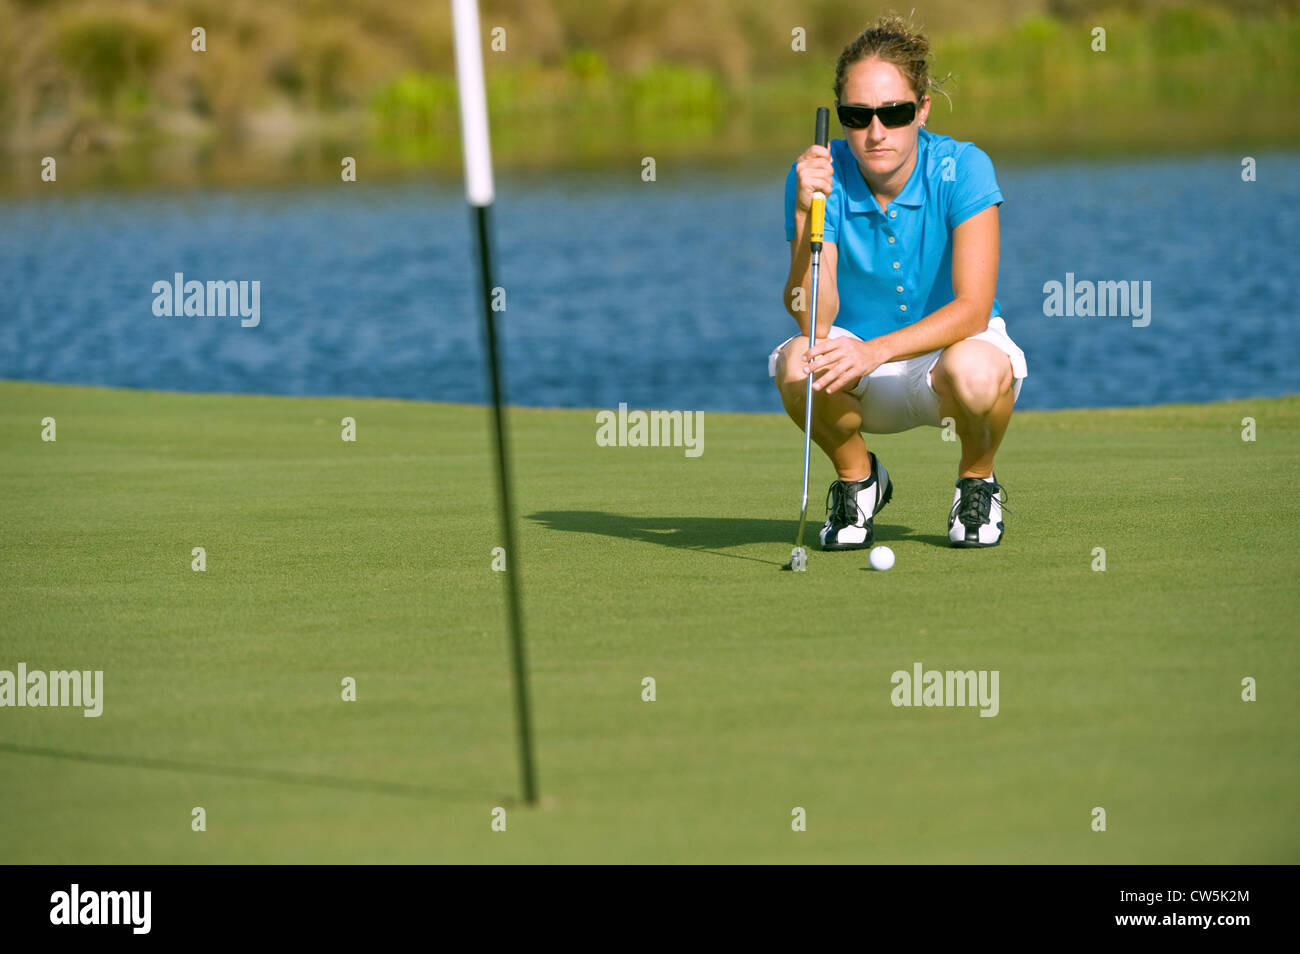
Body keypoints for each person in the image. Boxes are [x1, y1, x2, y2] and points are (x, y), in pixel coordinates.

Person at [770, 14, 1028, 550]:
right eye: (857, 116)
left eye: (895, 112)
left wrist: (876, 352)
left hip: (946, 364)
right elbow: (813, 318)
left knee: (978, 372)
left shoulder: (963, 167)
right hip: (859, 370)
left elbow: (974, 309)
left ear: (922, 109)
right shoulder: (820, 177)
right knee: (797, 363)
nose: (875, 132)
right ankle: (859, 480)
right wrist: (802, 216)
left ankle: (977, 480)